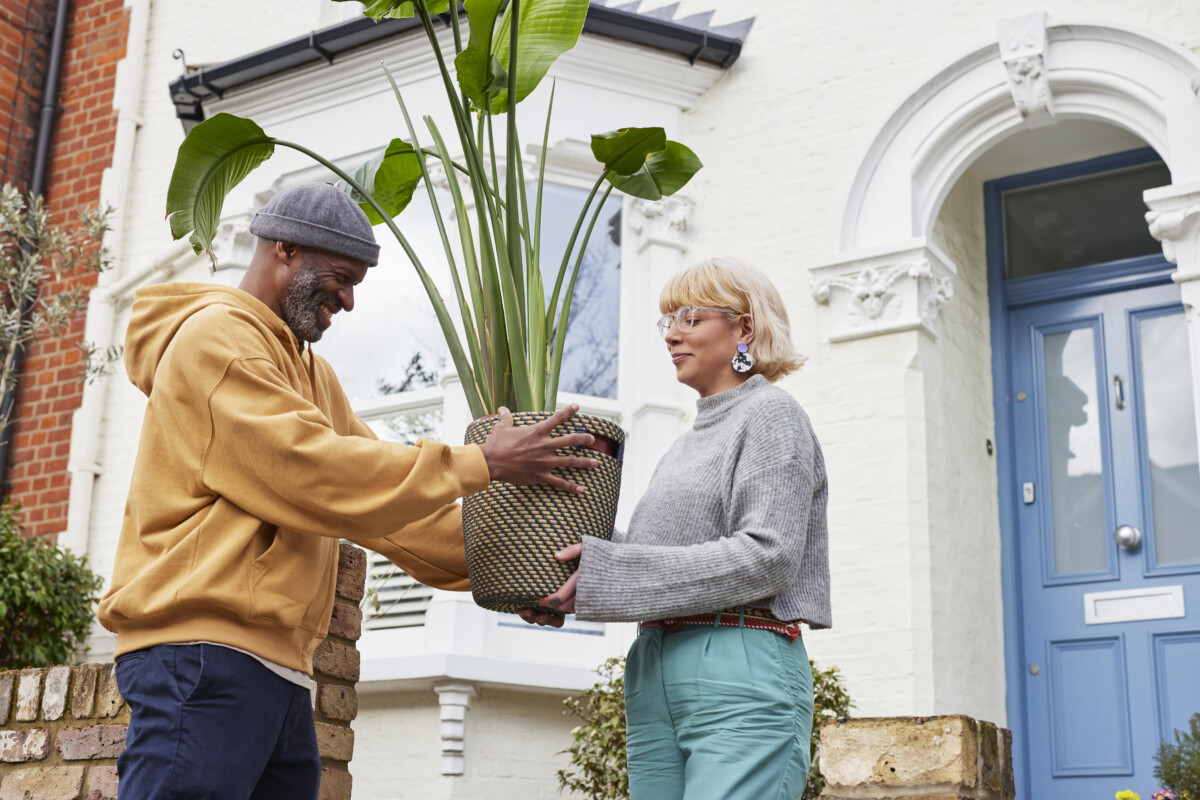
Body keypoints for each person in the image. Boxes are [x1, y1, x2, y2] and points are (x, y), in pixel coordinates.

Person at [98, 182, 597, 800]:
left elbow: (384, 509)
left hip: (275, 670)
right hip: (202, 655)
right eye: (341, 275)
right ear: (283, 248)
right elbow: (314, 471)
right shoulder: (215, 341)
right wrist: (480, 464)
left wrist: (511, 574)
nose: (351, 300)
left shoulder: (307, 370)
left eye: (358, 281)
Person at [521, 257, 831, 800]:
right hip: (655, 667)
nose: (671, 334)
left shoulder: (772, 415)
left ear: (745, 328)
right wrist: (555, 560)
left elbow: (770, 555)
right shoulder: (689, 440)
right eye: (667, 320)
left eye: (690, 317)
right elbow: (645, 558)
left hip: (740, 660)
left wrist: (607, 573)